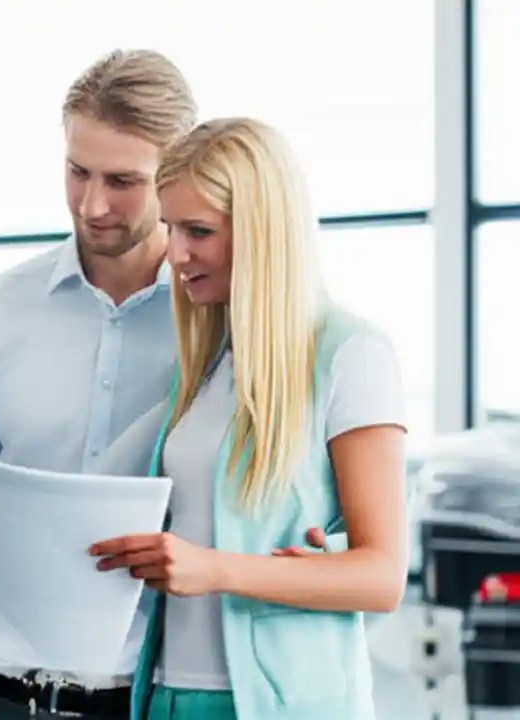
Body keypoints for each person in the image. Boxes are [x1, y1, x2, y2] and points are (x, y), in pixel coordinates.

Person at [87, 117, 408, 720]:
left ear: (262, 233)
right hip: (167, 695)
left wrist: (213, 569)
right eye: (170, 228)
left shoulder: (350, 355)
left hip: (282, 705)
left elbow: (382, 576)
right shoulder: (206, 369)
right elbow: (96, 493)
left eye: (198, 231)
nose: (175, 254)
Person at [0, 49, 199, 720]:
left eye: (123, 181)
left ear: (179, 174)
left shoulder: (219, 324)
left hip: (142, 698)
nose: (92, 204)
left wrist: (18, 555)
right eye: (78, 172)